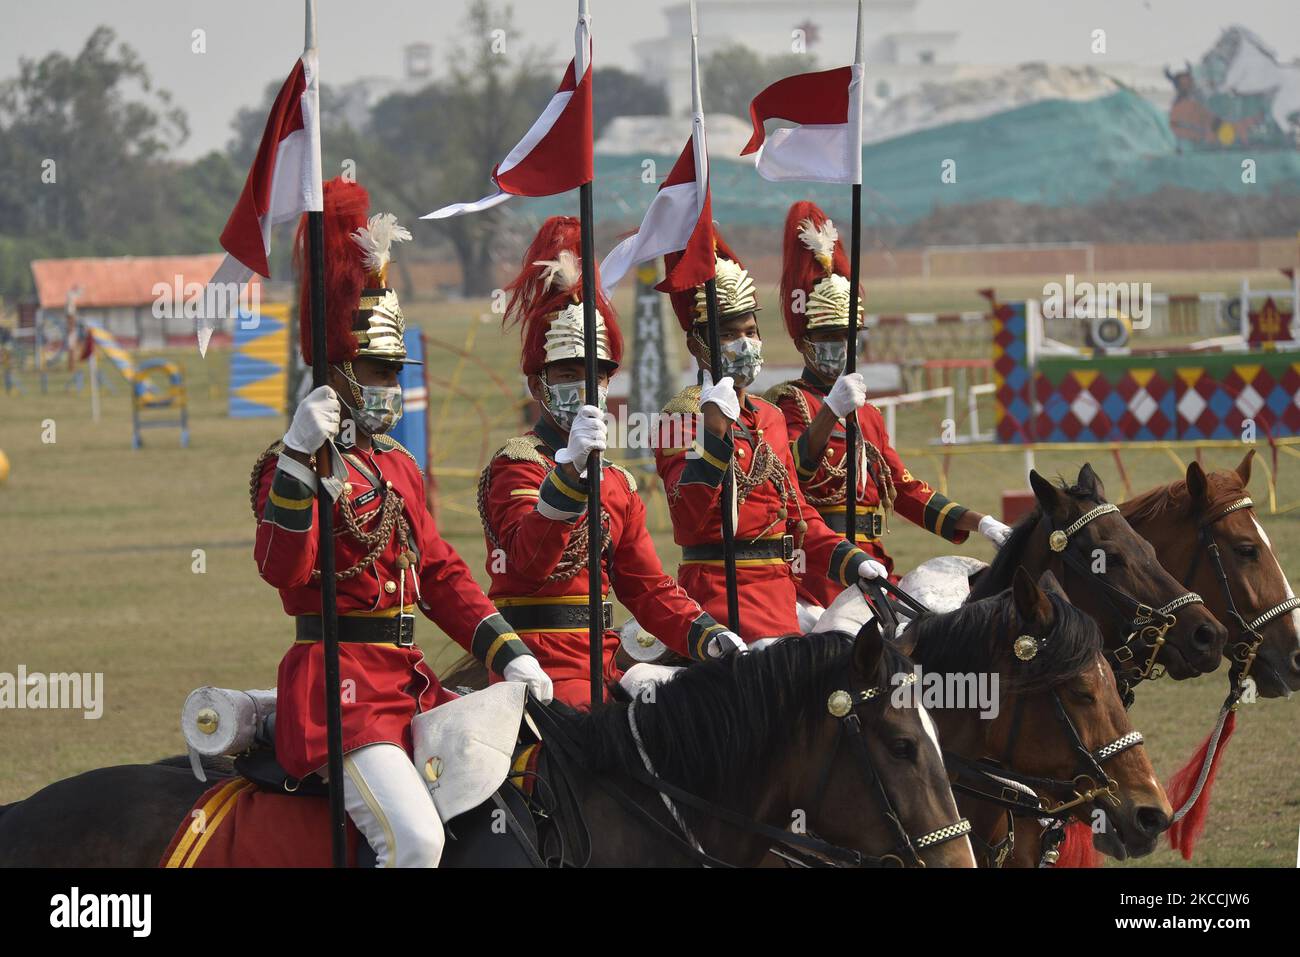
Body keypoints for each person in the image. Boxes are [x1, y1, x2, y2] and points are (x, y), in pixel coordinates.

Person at [250, 177, 552, 867]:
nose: (389, 386)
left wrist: (510, 652)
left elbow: (439, 572)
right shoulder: (292, 463)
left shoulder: (399, 466)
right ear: (341, 370)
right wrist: (300, 458)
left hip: (406, 682)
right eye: (376, 371)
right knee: (412, 842)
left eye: (393, 371)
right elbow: (281, 568)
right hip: (339, 695)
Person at [478, 217, 742, 706]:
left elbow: (646, 588)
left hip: (602, 664)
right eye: (567, 372)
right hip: (539, 670)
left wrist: (707, 634)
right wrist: (570, 473)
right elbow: (529, 565)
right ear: (538, 383)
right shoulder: (515, 466)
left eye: (596, 373)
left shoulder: (618, 483)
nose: (584, 384)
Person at [765, 201, 1010, 609]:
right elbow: (796, 470)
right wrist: (831, 412)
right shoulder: (789, 404)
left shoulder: (870, 416)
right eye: (828, 338)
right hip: (818, 571)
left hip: (875, 560)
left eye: (847, 337)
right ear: (804, 341)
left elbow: (906, 489)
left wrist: (979, 521)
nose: (839, 348)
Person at [653, 228, 887, 642]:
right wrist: (714, 432)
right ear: (697, 345)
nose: (744, 344)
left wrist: (850, 560)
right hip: (721, 599)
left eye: (750, 332)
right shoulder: (679, 418)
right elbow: (690, 520)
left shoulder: (770, 416)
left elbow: (798, 516)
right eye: (728, 335)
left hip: (781, 597)